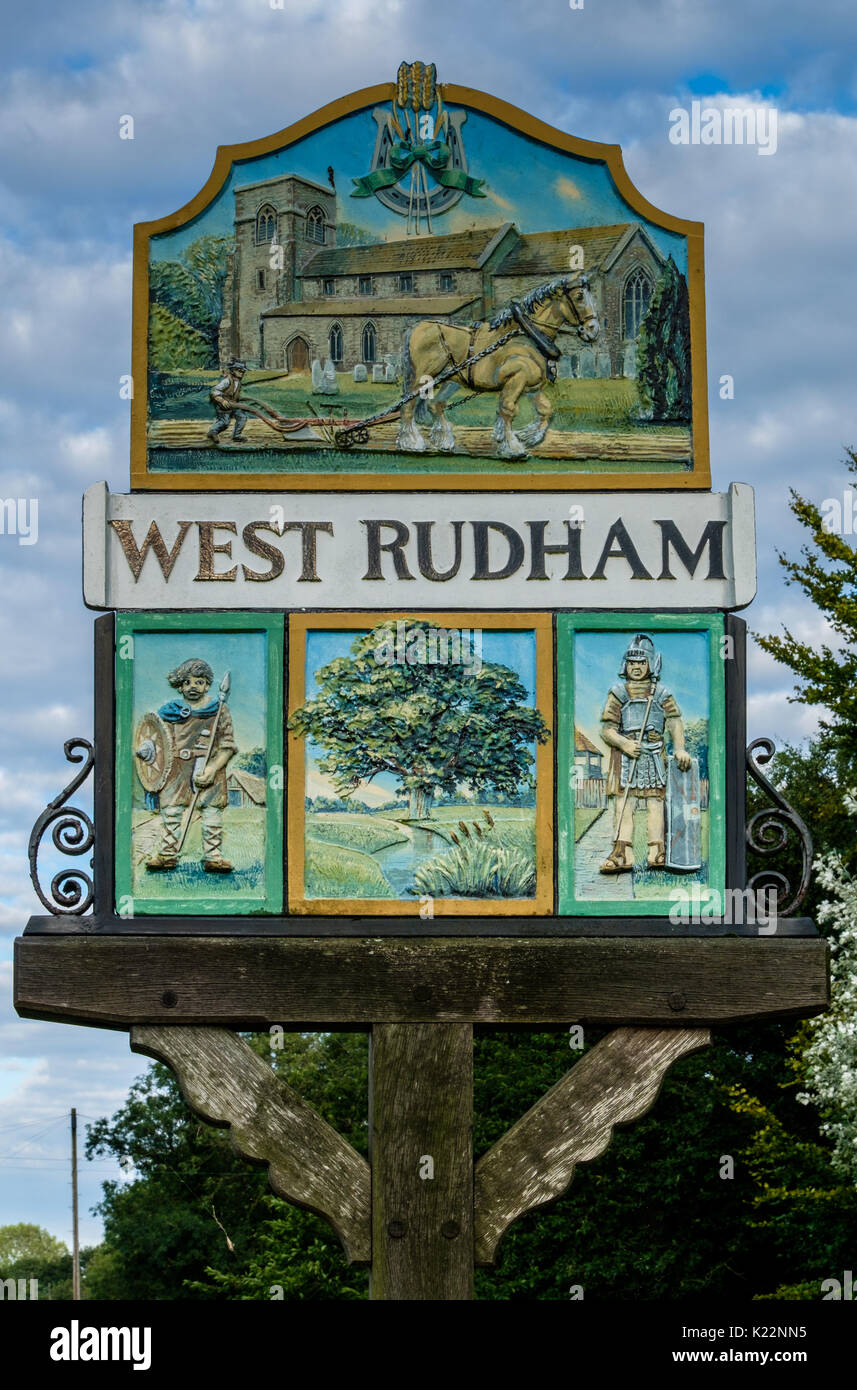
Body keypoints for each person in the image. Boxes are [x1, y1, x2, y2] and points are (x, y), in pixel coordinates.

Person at [598, 633, 691, 874]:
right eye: (632, 662)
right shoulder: (618, 693)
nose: (636, 667)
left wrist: (679, 748)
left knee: (655, 804)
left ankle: (657, 851)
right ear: (625, 664)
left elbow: (674, 721)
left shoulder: (661, 693)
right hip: (627, 756)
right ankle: (622, 852)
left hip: (653, 754)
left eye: (641, 662)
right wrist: (624, 744)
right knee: (624, 803)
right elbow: (607, 729)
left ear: (650, 663)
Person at [145, 659, 236, 873]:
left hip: (209, 765)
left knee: (212, 812)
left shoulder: (218, 710)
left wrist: (213, 768)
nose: (192, 686)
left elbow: (227, 746)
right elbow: (160, 740)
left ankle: (213, 856)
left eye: (199, 682)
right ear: (180, 685)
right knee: (172, 811)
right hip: (176, 768)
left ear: (207, 685)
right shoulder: (170, 712)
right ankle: (168, 854)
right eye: (187, 682)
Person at [208, 359, 248, 445]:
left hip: (233, 405)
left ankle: (237, 435)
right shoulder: (227, 381)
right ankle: (212, 432)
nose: (242, 372)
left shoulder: (238, 382)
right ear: (233, 371)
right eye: (239, 370)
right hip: (224, 405)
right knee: (224, 423)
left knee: (242, 417)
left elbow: (234, 394)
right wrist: (222, 400)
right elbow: (214, 391)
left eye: (243, 371)